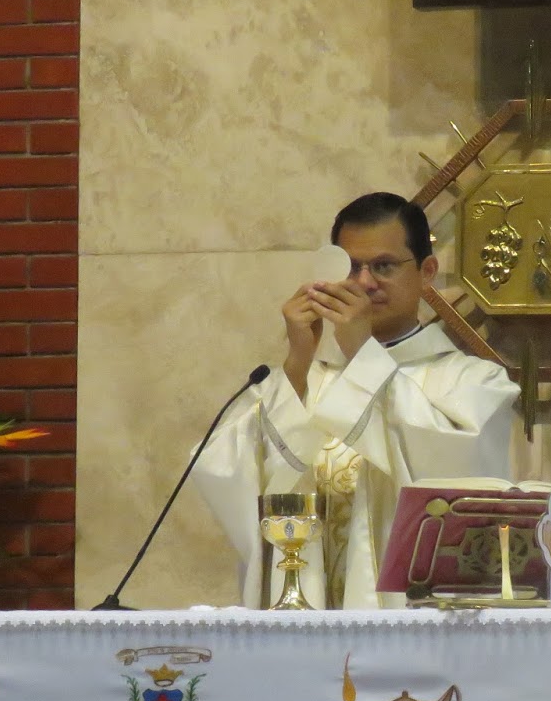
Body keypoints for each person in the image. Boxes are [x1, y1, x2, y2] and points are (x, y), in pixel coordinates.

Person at [194, 192, 520, 609]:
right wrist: (296, 362)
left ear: (427, 272)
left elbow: (459, 485)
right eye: (350, 267)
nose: (364, 283)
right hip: (302, 631)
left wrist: (362, 352)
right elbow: (228, 475)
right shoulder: (304, 379)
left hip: (410, 637)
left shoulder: (472, 381)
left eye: (383, 266)